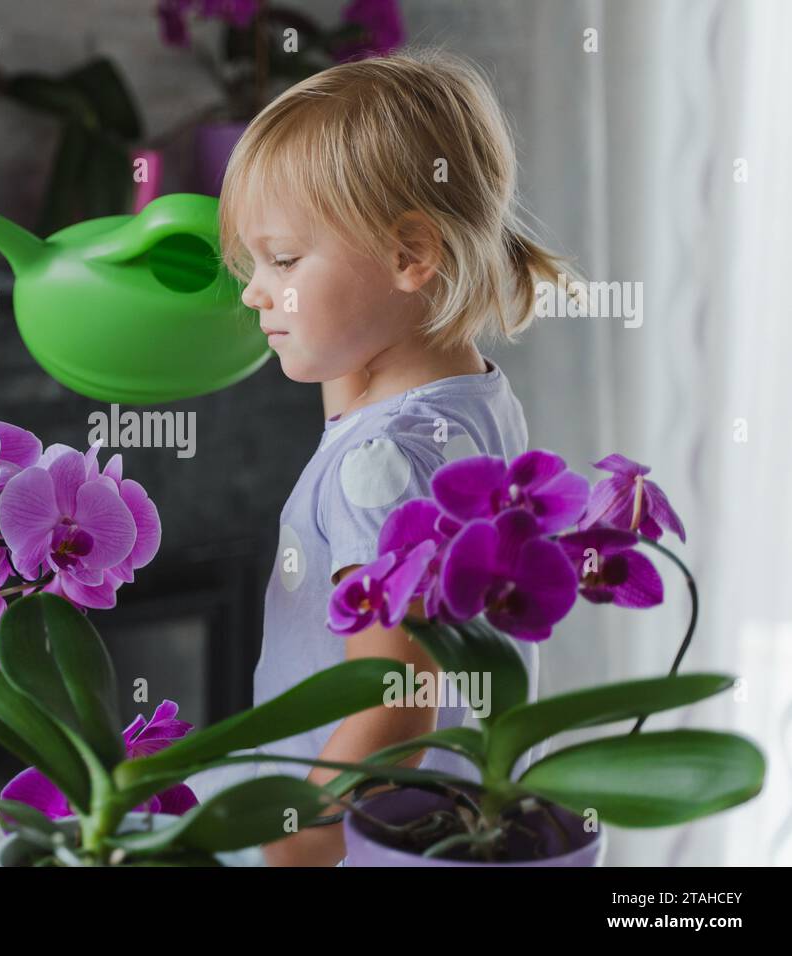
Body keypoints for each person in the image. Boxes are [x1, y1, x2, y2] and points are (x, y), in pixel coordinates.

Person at [185, 48, 575, 866]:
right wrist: (310, 308)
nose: (256, 291)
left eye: (284, 260)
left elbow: (396, 703)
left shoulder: (378, 463)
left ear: (409, 256)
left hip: (357, 841)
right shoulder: (470, 400)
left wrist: (295, 845)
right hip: (455, 824)